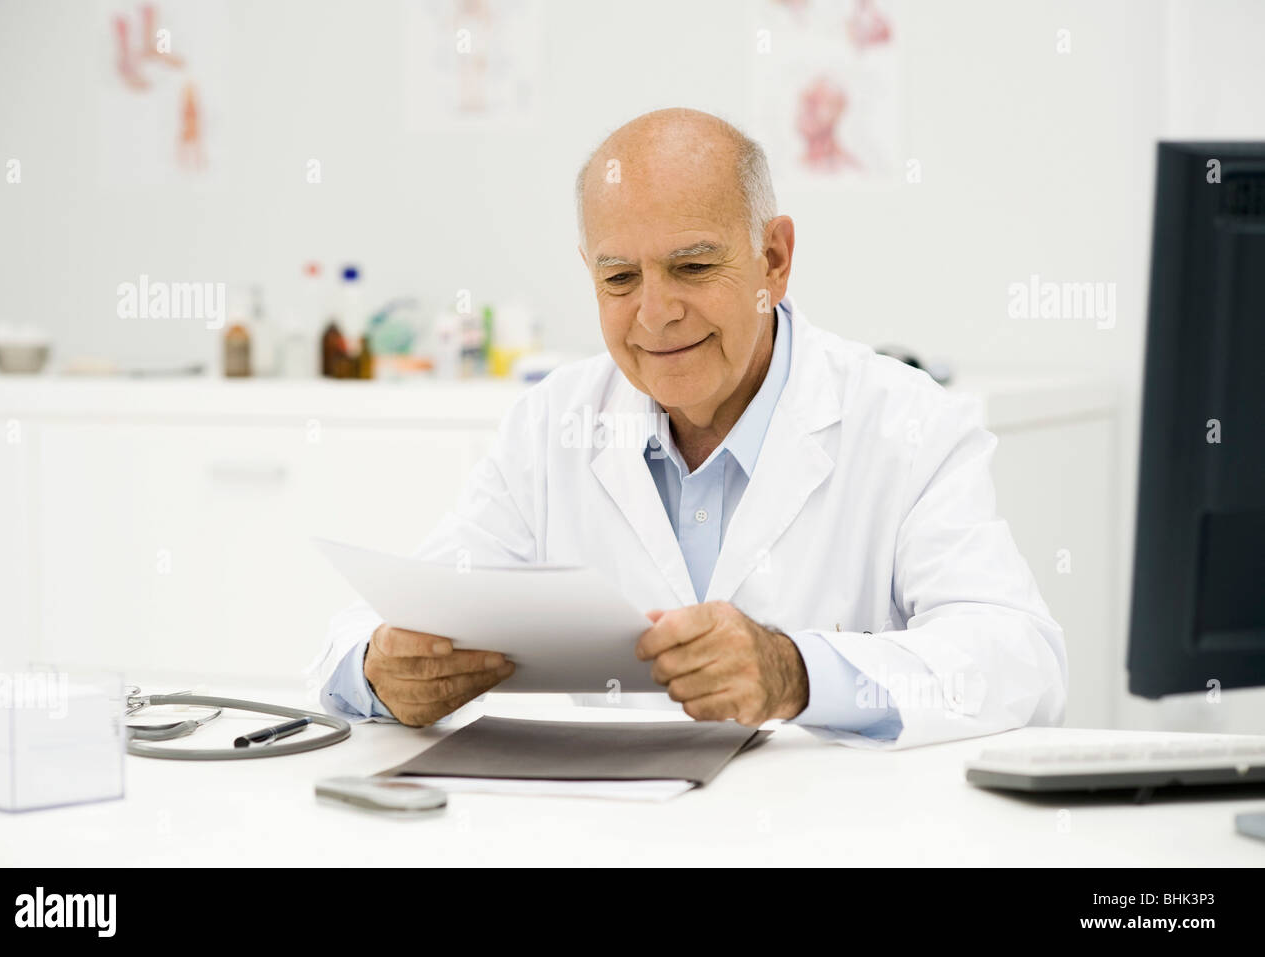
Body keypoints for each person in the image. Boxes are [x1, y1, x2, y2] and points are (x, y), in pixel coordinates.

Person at [309, 108, 1067, 749]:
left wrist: (795, 672)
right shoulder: (553, 427)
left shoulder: (908, 423)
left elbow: (1019, 662)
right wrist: (382, 667)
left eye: (694, 267)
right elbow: (391, 619)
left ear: (773, 259)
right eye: (619, 278)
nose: (655, 313)